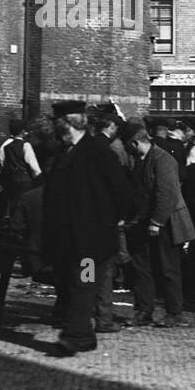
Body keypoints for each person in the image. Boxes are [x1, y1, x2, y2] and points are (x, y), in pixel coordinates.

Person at [44, 101, 135, 356]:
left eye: (56, 125)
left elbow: (122, 190)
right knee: (75, 284)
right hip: (70, 236)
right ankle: (84, 336)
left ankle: (73, 336)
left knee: (83, 284)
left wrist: (113, 218)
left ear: (66, 125)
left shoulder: (96, 150)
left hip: (92, 238)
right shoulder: (67, 152)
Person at [123, 120, 195, 328]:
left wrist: (156, 222)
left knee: (168, 268)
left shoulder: (162, 159)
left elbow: (167, 194)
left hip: (166, 223)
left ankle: (174, 312)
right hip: (144, 222)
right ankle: (144, 310)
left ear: (135, 143)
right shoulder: (140, 160)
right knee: (141, 266)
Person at [88, 105, 133, 333]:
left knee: (86, 270)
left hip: (84, 223)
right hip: (104, 223)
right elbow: (120, 188)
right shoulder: (108, 151)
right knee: (104, 272)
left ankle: (83, 315)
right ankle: (103, 318)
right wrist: (121, 215)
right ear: (112, 127)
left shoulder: (83, 149)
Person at [0, 119, 42, 217]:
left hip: (12, 180)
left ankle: (13, 226)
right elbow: (33, 165)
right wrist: (40, 177)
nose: (26, 132)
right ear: (22, 132)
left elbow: (4, 164)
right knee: (25, 205)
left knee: (14, 204)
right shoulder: (26, 145)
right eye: (25, 131)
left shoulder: (7, 147)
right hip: (25, 180)